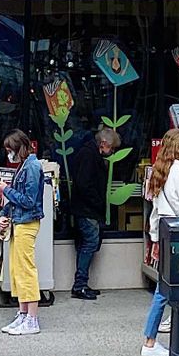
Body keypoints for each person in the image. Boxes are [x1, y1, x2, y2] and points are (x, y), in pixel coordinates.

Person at [140, 129, 179, 356]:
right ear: (178, 147)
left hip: (166, 234)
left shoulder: (160, 172)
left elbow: (155, 214)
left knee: (164, 289)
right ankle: (151, 340)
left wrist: (155, 239)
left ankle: (152, 338)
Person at [0, 130, 45, 336]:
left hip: (27, 223)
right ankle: (23, 313)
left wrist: (5, 190)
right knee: (17, 270)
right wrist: (4, 213)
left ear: (20, 148)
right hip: (20, 221)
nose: (9, 154)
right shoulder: (24, 166)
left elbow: (28, 200)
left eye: (11, 150)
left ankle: (31, 318)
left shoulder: (32, 166)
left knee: (25, 270)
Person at [64, 126, 117, 300]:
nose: (112, 151)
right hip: (88, 209)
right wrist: (97, 202)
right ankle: (80, 284)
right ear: (104, 143)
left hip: (85, 208)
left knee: (87, 244)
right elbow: (84, 184)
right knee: (90, 243)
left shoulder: (87, 153)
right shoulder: (89, 155)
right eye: (112, 147)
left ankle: (81, 283)